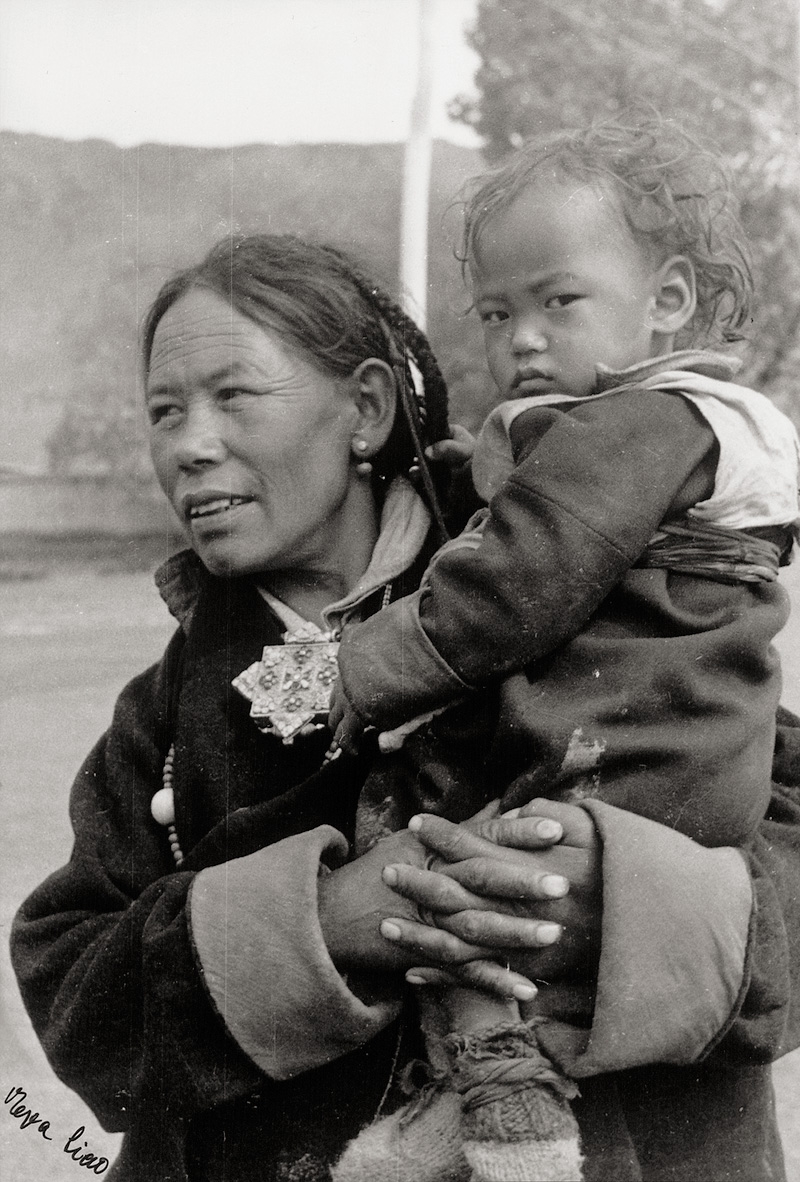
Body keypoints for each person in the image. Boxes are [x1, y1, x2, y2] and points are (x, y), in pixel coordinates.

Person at [8, 231, 800, 1182]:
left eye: (233, 397)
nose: (188, 445)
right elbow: (73, 1000)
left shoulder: (578, 585)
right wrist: (325, 923)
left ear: (368, 408)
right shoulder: (167, 714)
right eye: (164, 412)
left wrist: (639, 906)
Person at [327, 118, 800, 1177]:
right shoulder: (659, 423)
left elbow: (516, 583)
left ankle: (508, 1118)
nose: (522, 339)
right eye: (495, 313)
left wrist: (368, 663)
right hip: (679, 753)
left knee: (459, 872)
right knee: (481, 893)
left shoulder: (638, 424)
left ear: (666, 303)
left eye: (557, 301)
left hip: (630, 755)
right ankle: (495, 1089)